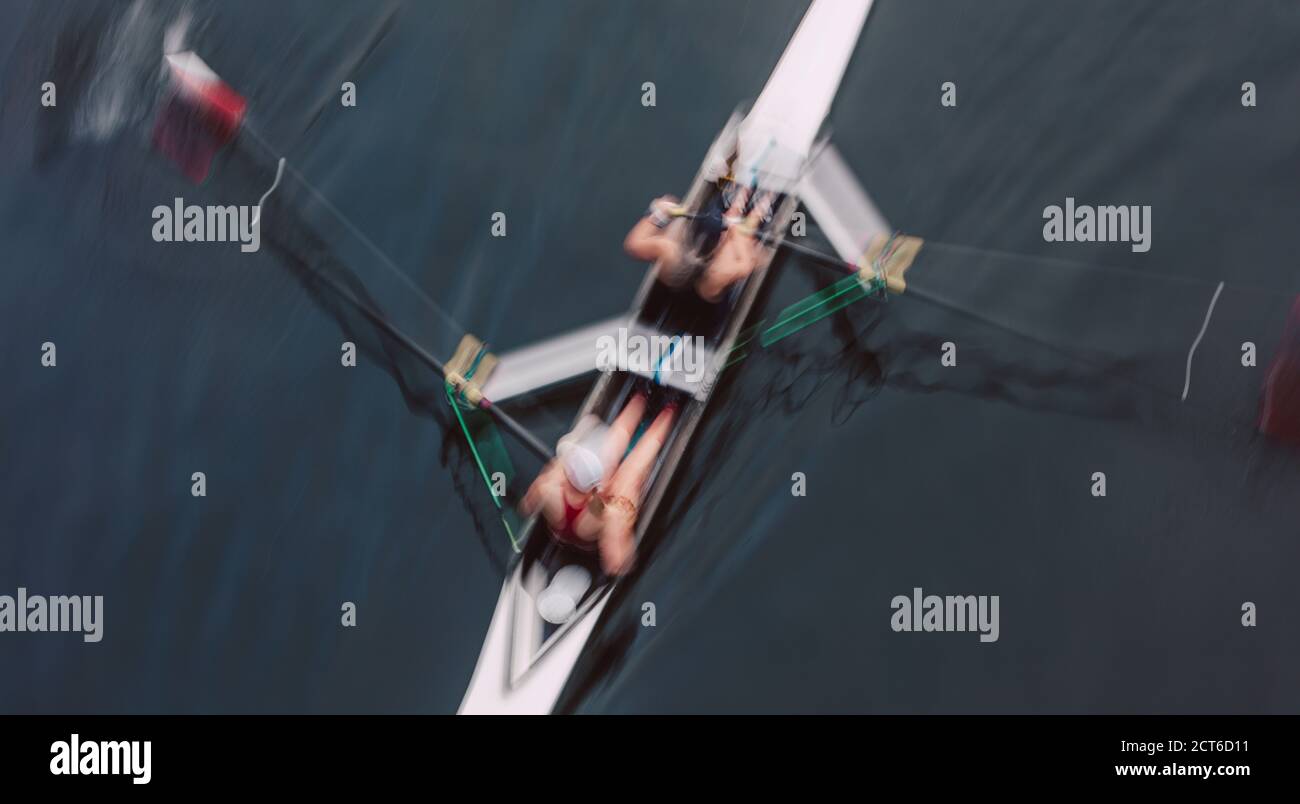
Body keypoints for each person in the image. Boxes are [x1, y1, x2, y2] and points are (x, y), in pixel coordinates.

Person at [521, 391, 678, 575]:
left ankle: (642, 397)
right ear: (595, 486)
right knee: (631, 471)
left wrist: (553, 470)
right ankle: (668, 408)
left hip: (561, 529)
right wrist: (625, 515)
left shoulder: (545, 488)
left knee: (607, 455)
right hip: (588, 540)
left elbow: (526, 507)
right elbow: (617, 564)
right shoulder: (607, 516)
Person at [624, 184, 774, 302]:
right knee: (752, 250)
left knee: (734, 212)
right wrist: (737, 235)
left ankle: (744, 195)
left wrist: (659, 213)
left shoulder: (668, 249)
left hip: (683, 277)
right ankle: (766, 200)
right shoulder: (717, 272)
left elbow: (633, 244)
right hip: (706, 293)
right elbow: (746, 266)